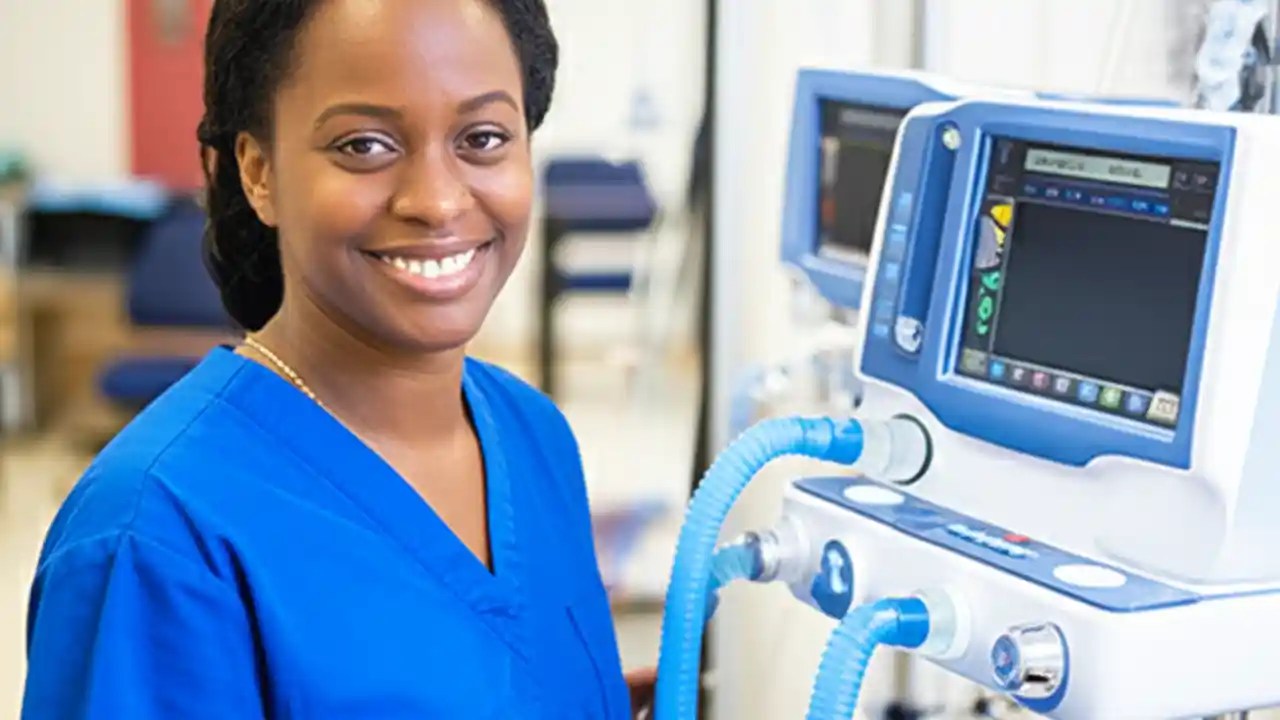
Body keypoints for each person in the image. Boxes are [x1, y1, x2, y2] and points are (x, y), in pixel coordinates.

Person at [21, 1, 657, 717]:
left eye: (482, 137)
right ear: (258, 172)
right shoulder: (158, 536)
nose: (437, 201)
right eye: (364, 145)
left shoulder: (533, 434)